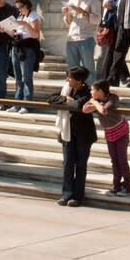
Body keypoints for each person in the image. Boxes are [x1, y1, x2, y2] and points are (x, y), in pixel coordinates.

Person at [48, 66, 96, 207]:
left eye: (70, 77)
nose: (68, 79)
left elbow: (77, 105)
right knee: (68, 163)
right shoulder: (66, 90)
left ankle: (77, 196)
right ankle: (66, 194)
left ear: (79, 81)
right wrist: (64, 98)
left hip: (83, 134)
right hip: (67, 133)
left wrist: (67, 101)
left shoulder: (87, 92)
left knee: (81, 165)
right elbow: (50, 98)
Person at [62, 0, 101, 76]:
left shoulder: (92, 0)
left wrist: (83, 12)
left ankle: (89, 91)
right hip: (72, 38)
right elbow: (68, 22)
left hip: (86, 37)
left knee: (88, 68)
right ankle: (74, 91)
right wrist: (66, 14)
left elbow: (97, 20)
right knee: (72, 69)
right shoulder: (72, 0)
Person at [96, 0, 127, 84]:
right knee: (111, 51)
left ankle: (120, 76)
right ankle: (106, 77)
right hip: (111, 24)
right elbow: (105, 4)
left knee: (116, 50)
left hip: (118, 24)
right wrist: (119, 5)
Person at [10, 0, 41, 110]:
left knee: (26, 77)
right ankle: (17, 103)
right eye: (18, 8)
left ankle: (27, 104)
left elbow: (36, 35)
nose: (20, 9)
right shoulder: (20, 16)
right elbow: (14, 34)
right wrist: (6, 30)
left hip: (28, 48)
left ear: (27, 4)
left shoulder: (33, 16)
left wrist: (26, 25)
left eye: (21, 7)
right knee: (18, 77)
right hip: (17, 47)